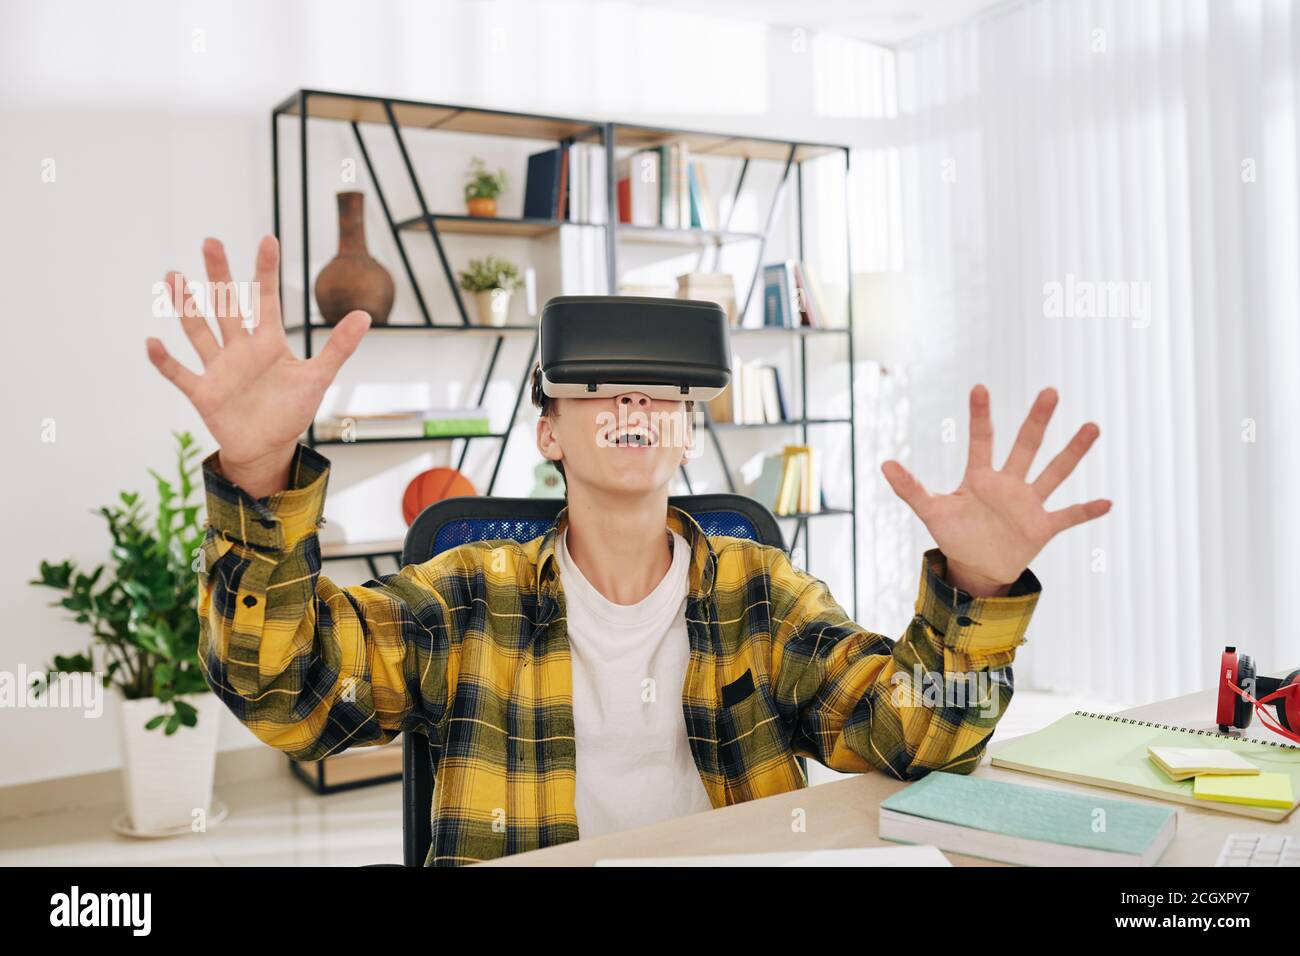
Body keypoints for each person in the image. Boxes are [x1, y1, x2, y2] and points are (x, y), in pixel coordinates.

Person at [146, 235, 1111, 866]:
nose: (635, 407)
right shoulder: (464, 598)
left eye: (662, 393)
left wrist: (979, 589)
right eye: (602, 386)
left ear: (690, 432)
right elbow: (285, 693)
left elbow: (918, 744)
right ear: (550, 434)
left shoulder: (762, 594)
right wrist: (263, 484)